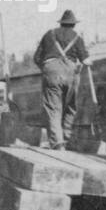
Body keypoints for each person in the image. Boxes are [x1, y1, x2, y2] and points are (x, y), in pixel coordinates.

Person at [33, 10, 91, 150]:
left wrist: (47, 69)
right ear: (73, 24)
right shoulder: (77, 38)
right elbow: (86, 60)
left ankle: (58, 142)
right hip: (70, 72)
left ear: (61, 22)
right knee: (71, 106)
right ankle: (66, 136)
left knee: (53, 108)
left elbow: (36, 57)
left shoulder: (49, 34)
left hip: (51, 70)